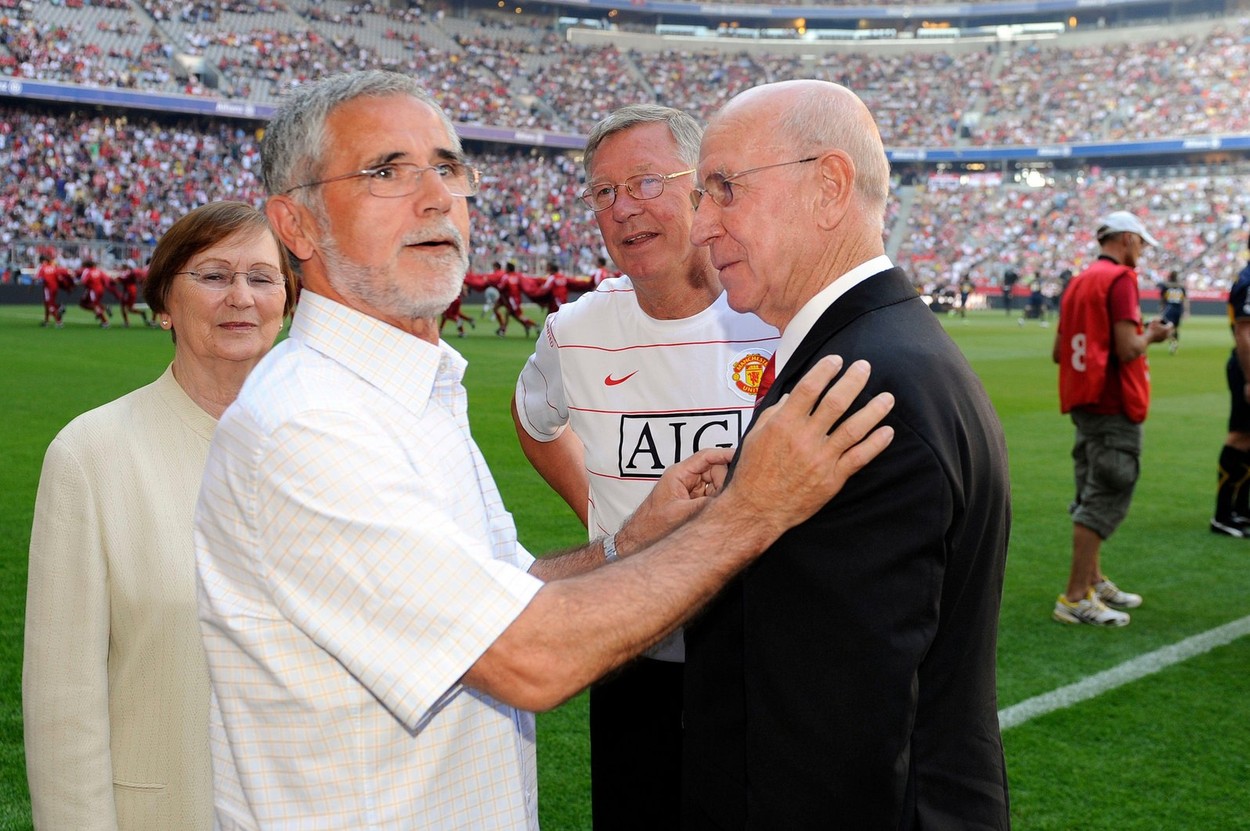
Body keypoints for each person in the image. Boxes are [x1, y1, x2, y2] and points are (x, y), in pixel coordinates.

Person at [194, 70, 895, 830]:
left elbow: (512, 585)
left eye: (447, 166)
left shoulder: (413, 397)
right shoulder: (305, 426)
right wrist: (754, 507)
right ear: (295, 225)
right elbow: (529, 654)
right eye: (387, 171)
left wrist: (631, 538)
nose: (435, 197)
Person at [684, 79, 1011, 828]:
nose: (700, 224)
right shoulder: (876, 354)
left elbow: (833, 739)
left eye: (724, 188)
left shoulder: (859, 387)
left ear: (829, 186)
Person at [512, 103, 779, 830]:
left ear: (701, 189)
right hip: (631, 647)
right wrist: (602, 518)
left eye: (646, 182)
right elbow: (535, 420)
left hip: (762, 653)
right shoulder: (577, 330)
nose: (624, 207)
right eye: (604, 192)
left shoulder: (773, 317)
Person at [23, 201, 296, 830]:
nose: (241, 297)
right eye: (213, 275)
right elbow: (63, 701)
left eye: (262, 277)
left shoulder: (329, 447)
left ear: (285, 304)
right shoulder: (90, 454)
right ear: (164, 302)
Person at [1053, 210, 1172, 625]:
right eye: (1140, 243)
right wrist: (1152, 335)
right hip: (1112, 404)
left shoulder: (1078, 282)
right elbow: (1127, 348)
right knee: (1104, 495)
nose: (1140, 252)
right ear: (1125, 239)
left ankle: (1092, 579)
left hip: (1084, 401)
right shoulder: (1120, 279)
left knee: (1090, 489)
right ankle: (1074, 596)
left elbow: (1058, 351)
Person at [1212, 232, 1250, 537]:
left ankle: (1241, 510)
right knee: (1239, 437)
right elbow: (1244, 333)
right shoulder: (1248, 280)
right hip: (1245, 367)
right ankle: (1223, 514)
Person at [496, 260, 537, 336]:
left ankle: (535, 325)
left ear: (508, 268)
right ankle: (503, 330)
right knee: (508, 313)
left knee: (518, 315)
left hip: (511, 299)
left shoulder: (506, 277)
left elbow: (500, 286)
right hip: (517, 298)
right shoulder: (518, 276)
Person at [112, 258, 154, 328]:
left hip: (129, 291)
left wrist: (114, 280)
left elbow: (120, 279)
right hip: (129, 290)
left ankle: (128, 322)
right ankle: (133, 318)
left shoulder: (128, 272)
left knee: (126, 308)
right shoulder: (130, 272)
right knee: (127, 308)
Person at [1158, 269, 1188, 354]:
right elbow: (1185, 300)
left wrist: (1161, 310)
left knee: (1169, 327)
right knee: (1175, 328)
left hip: (1169, 308)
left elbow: (1162, 299)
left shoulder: (1166, 286)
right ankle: (1175, 343)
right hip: (1178, 309)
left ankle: (1173, 342)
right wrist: (1186, 311)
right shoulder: (1181, 287)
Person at [78, 258, 114, 328]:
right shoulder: (99, 271)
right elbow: (106, 279)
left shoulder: (87, 271)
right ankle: (104, 308)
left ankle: (105, 322)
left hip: (92, 290)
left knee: (93, 305)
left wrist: (75, 283)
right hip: (99, 290)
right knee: (84, 303)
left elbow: (83, 281)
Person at [36, 254, 66, 327]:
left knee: (50, 305)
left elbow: (39, 279)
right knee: (47, 304)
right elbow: (59, 278)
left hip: (48, 288)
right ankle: (46, 321)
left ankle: (58, 321)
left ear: (42, 261)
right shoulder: (54, 267)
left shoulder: (42, 268)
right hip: (55, 288)